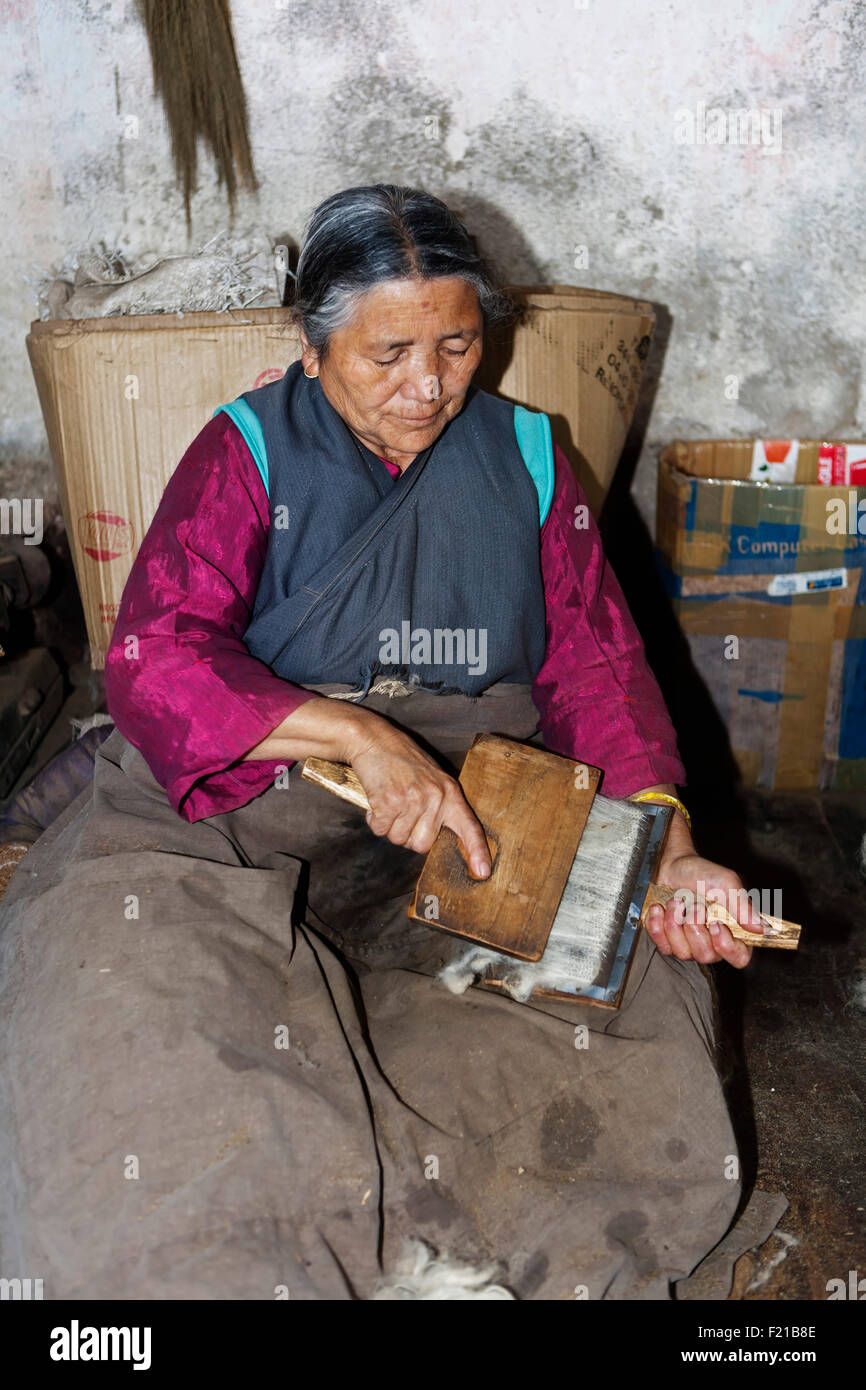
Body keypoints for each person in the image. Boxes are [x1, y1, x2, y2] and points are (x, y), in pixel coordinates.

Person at [0, 184, 762, 1301]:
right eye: (386, 353)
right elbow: (156, 653)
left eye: (456, 346)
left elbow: (595, 667)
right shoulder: (247, 449)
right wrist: (356, 734)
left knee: (634, 990)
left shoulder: (532, 459)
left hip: (475, 803)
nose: (427, 386)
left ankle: (444, 1251)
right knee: (119, 987)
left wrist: (667, 838)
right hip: (246, 782)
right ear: (313, 348)